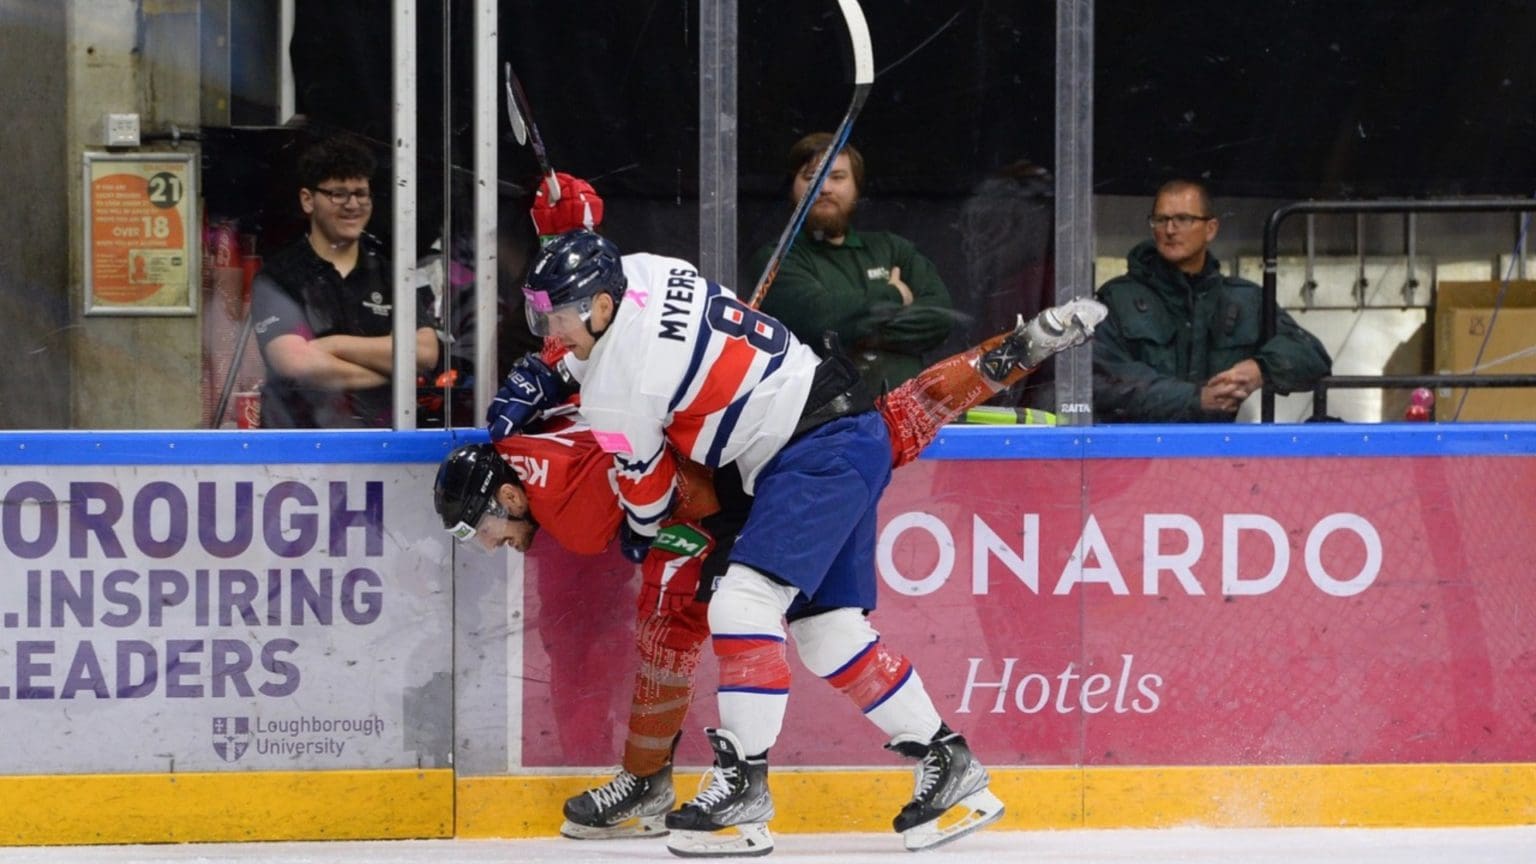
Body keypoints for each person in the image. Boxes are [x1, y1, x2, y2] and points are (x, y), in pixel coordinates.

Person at [472, 231, 1087, 857]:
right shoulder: (647, 268)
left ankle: (743, 789)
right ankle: (951, 768)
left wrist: (637, 525)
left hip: (807, 452)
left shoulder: (616, 398)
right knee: (831, 635)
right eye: (542, 318)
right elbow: (633, 347)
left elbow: (653, 501)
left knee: (741, 604)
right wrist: (554, 370)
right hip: (834, 428)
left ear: (601, 307)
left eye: (559, 318)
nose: (550, 331)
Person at [1092, 179, 1332, 422]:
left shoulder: (1243, 299)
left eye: (1183, 219)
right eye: (1161, 220)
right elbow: (1100, 378)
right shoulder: (1117, 298)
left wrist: (1259, 369)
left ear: (1211, 229)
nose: (1170, 230)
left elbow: (1311, 354)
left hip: (1217, 452)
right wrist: (1194, 398)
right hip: (1138, 452)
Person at [250, 134, 441, 427]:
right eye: (338, 194)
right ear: (307, 200)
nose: (353, 205)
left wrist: (333, 345)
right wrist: (392, 371)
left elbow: (426, 352)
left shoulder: (390, 274)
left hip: (381, 443)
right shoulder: (279, 275)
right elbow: (295, 361)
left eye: (361, 193)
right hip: (300, 445)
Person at [745, 133, 955, 396]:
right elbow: (818, 321)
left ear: (857, 187)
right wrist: (893, 294)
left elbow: (940, 317)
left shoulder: (892, 248)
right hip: (823, 425)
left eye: (837, 177)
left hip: (909, 418)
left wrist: (852, 333)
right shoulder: (775, 260)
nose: (824, 188)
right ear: (792, 187)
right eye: (811, 177)